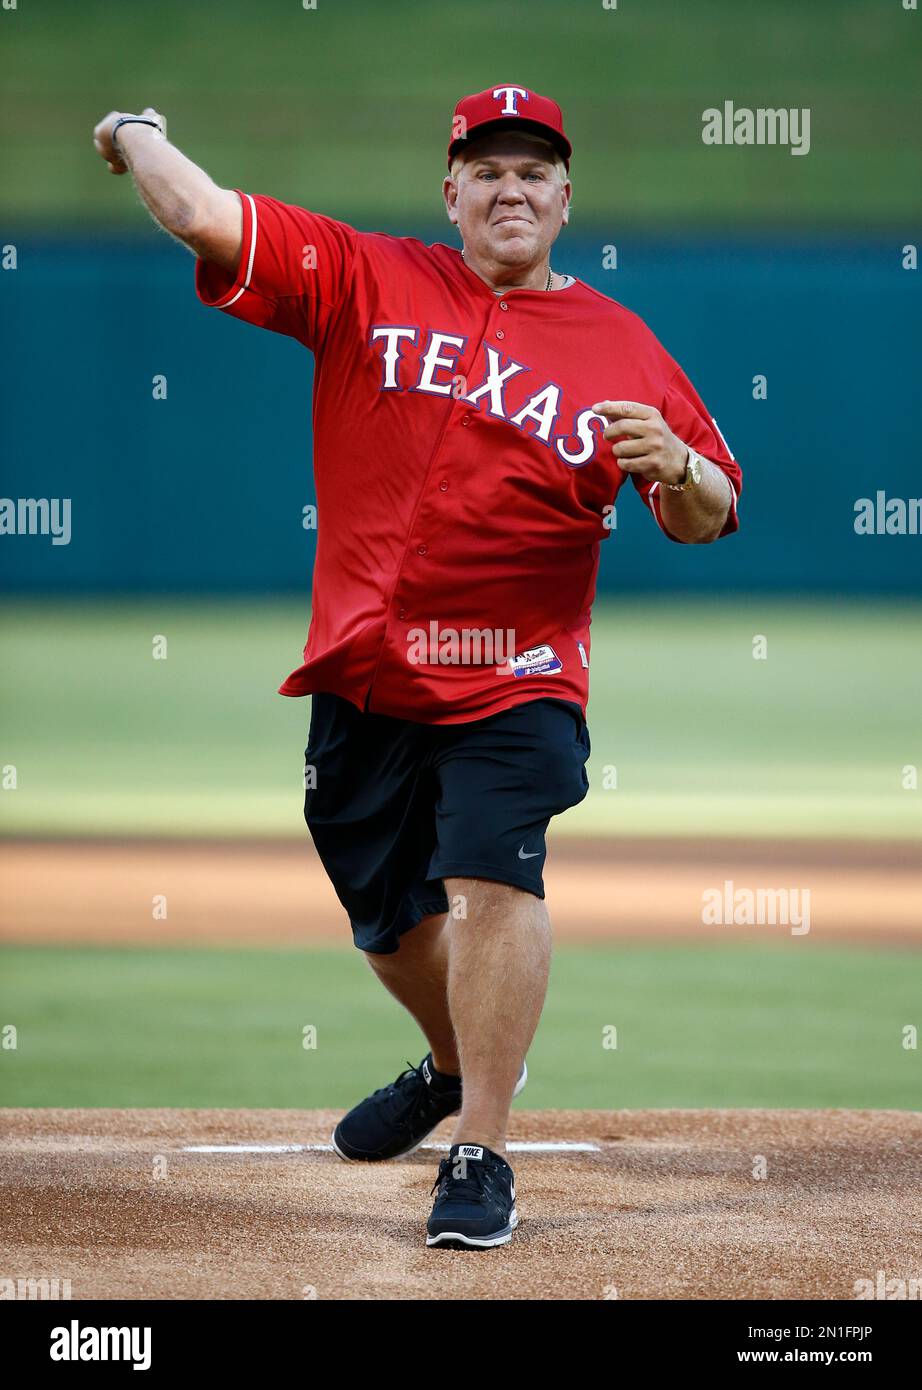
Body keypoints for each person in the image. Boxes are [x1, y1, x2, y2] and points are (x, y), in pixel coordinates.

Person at [93, 83, 741, 1249]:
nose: (510, 187)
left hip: (519, 672)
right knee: (387, 920)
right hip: (366, 670)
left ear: (564, 197)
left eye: (533, 169)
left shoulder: (622, 344)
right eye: (486, 168)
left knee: (492, 875)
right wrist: (137, 132)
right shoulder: (361, 275)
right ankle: (449, 1065)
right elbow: (203, 216)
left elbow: (711, 508)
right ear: (450, 191)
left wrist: (682, 472)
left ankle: (481, 1146)